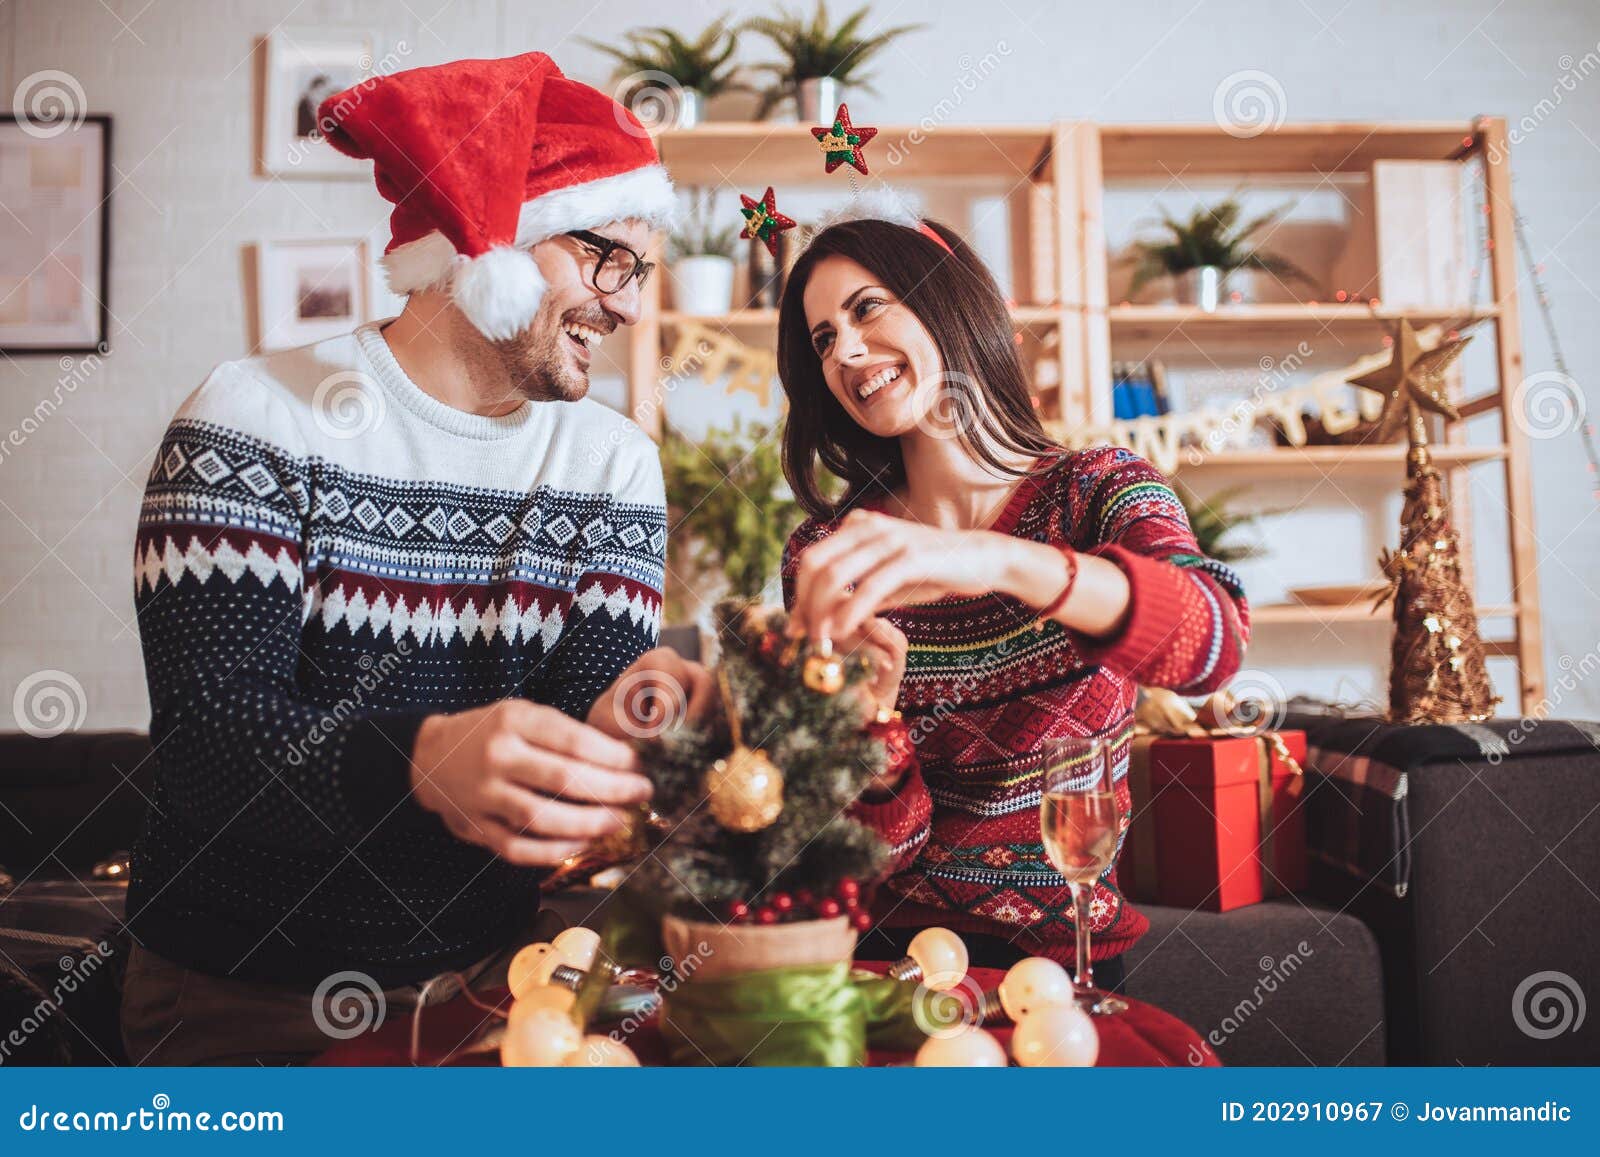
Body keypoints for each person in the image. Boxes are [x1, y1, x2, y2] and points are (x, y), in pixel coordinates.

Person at [122, 52, 710, 1065]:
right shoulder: (254, 415)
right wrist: (425, 759)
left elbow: (590, 729)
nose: (627, 306)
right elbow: (209, 742)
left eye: (640, 273)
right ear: (495, 237)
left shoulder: (611, 464)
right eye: (608, 257)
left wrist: (666, 723)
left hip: (496, 978)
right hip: (241, 995)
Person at [778, 195, 1251, 981]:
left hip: (1060, 960)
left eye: (867, 310)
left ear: (946, 301)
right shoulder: (831, 552)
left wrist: (994, 560)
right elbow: (869, 852)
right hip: (879, 958)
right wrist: (872, 725)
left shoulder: (1099, 490)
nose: (849, 353)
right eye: (826, 341)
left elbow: (1215, 644)